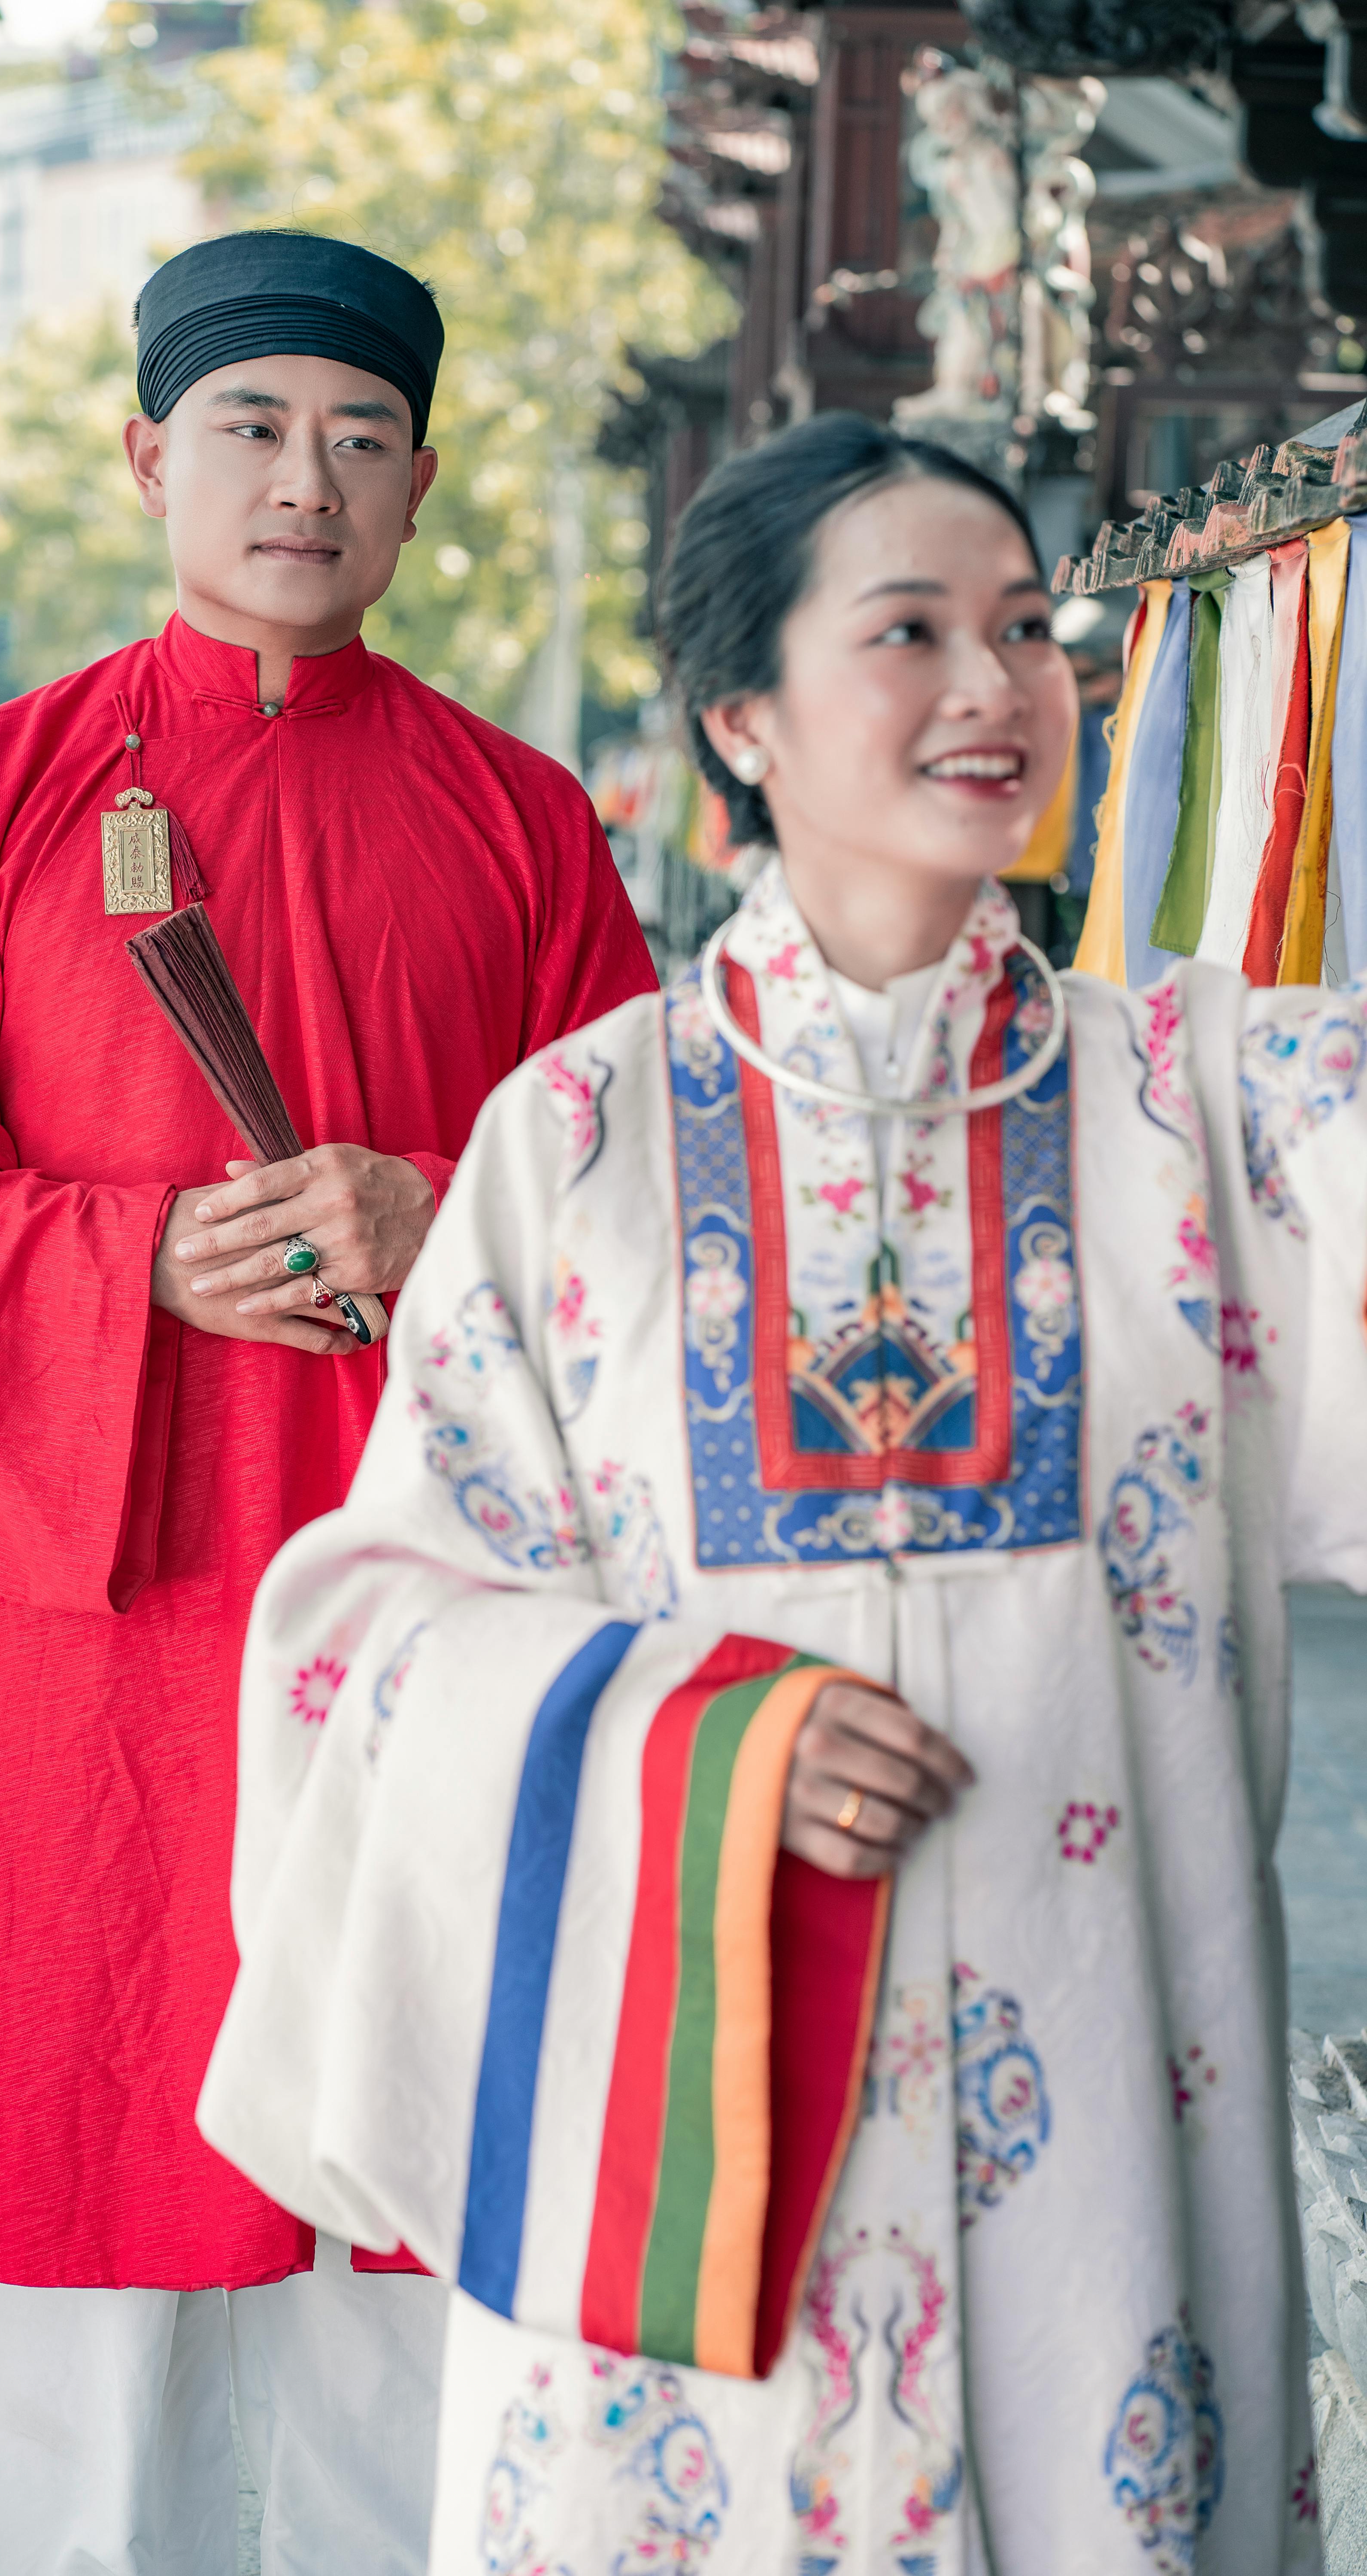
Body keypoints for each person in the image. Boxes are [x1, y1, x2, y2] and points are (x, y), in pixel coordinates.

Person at [201, 411, 1367, 2571]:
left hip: (1105, 2165)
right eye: (908, 630)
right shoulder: (579, 1144)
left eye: (1027, 630)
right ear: (741, 715)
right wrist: (691, 1739)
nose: (996, 688)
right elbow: (361, 1638)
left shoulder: (1213, 1110)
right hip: (695, 2191)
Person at [0, 228, 655, 2575]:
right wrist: (120, 1260)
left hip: (435, 1637)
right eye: (249, 427)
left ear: (423, 486)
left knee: (415, 2296)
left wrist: (452, 1215)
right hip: (95, 1653)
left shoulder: (527, 825)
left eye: (357, 437)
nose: (301, 480)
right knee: (72, 2327)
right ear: (149, 456)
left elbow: (654, 1213)